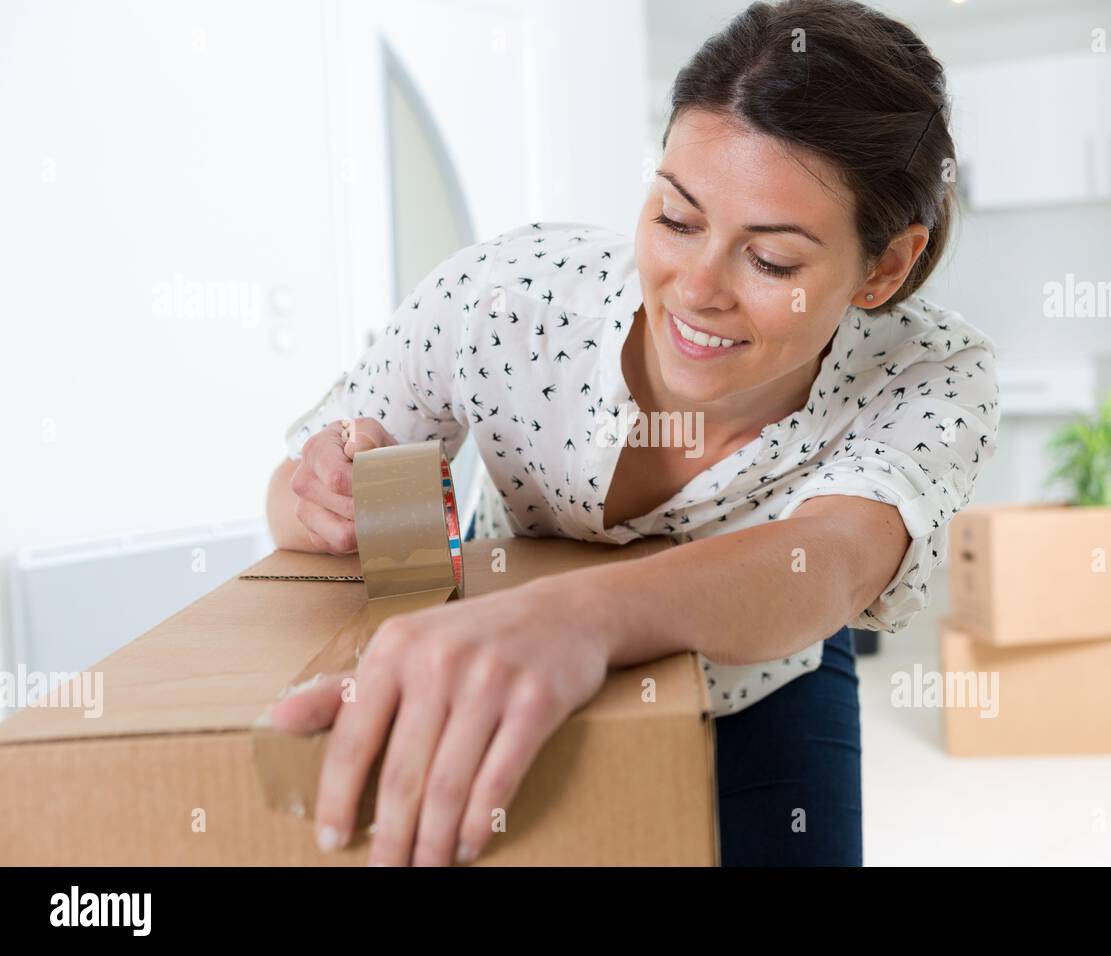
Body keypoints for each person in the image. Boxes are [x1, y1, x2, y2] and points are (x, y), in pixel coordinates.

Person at [264, 0, 999, 866]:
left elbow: (831, 558)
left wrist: (581, 619)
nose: (696, 289)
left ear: (883, 267)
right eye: (677, 219)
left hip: (761, 682)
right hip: (504, 659)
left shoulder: (930, 372)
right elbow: (301, 494)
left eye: (770, 261)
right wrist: (328, 499)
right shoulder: (509, 298)